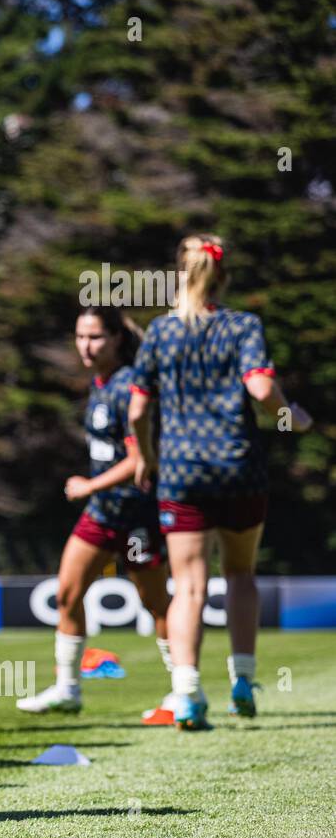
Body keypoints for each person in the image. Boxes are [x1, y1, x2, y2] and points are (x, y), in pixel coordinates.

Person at [129, 233, 311, 730]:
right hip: (239, 469)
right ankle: (243, 681)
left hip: (182, 473)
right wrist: (292, 417)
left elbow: (138, 408)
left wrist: (146, 457)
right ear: (223, 278)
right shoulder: (242, 326)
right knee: (240, 575)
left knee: (188, 587)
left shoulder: (160, 333)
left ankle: (187, 693)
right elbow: (261, 387)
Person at [16, 304, 173, 716]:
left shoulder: (129, 386)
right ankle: (68, 689)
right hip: (102, 513)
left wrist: (89, 485)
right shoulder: (99, 383)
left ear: (116, 339)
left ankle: (183, 691)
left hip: (138, 516)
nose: (85, 345)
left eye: (95, 337)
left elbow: (141, 459)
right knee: (68, 593)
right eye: (81, 336)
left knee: (156, 605)